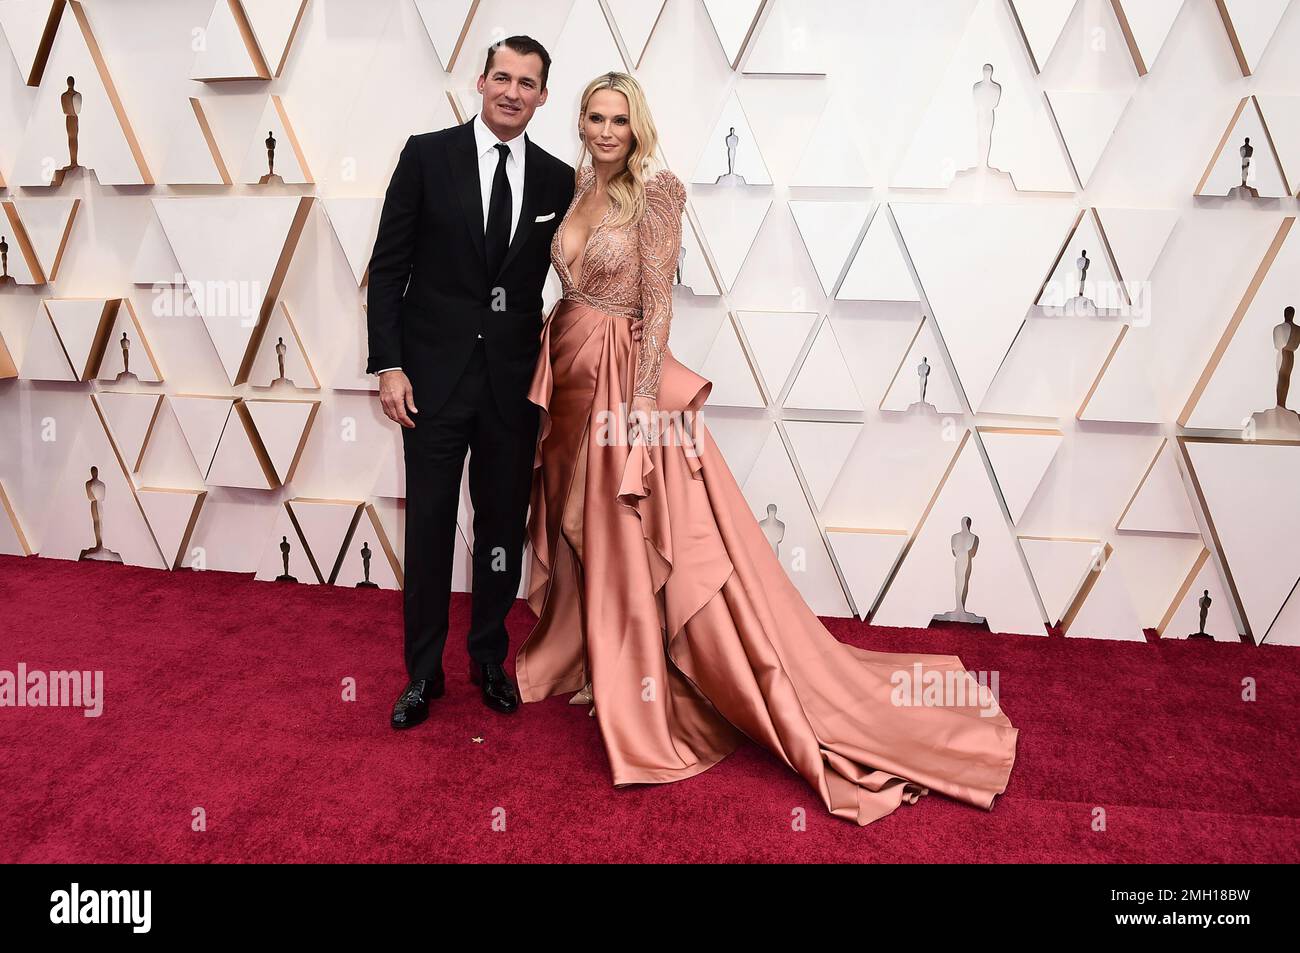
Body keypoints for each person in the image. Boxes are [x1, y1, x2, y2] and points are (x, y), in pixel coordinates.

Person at [516, 71, 1020, 826]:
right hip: (570, 369)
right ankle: (593, 656)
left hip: (625, 378)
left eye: (620, 119)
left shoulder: (658, 194)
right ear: (580, 122)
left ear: (638, 125)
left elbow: (659, 308)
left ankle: (640, 684)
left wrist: (648, 414)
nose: (606, 130)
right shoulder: (580, 183)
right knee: (580, 523)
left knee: (629, 529)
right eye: (595, 116)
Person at [367, 37, 640, 725]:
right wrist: (389, 364)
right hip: (429, 380)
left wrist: (635, 324)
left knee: (499, 528)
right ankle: (422, 675)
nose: (513, 92)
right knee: (429, 525)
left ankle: (489, 658)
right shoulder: (427, 156)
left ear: (545, 96)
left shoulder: (558, 180)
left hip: (515, 385)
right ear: (481, 81)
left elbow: (601, 251)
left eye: (528, 82)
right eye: (502, 77)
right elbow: (388, 268)